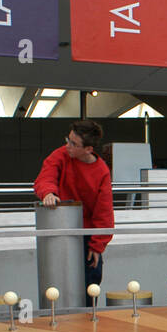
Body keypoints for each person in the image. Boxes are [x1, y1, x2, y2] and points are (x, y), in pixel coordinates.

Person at [35, 120, 115, 306]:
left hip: (86, 236)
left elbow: (103, 212)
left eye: (73, 143)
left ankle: (87, 326)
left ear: (88, 149)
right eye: (68, 140)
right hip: (60, 231)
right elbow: (46, 175)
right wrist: (48, 192)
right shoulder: (61, 155)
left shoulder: (101, 171)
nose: (67, 146)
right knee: (56, 284)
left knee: (90, 282)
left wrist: (97, 246)